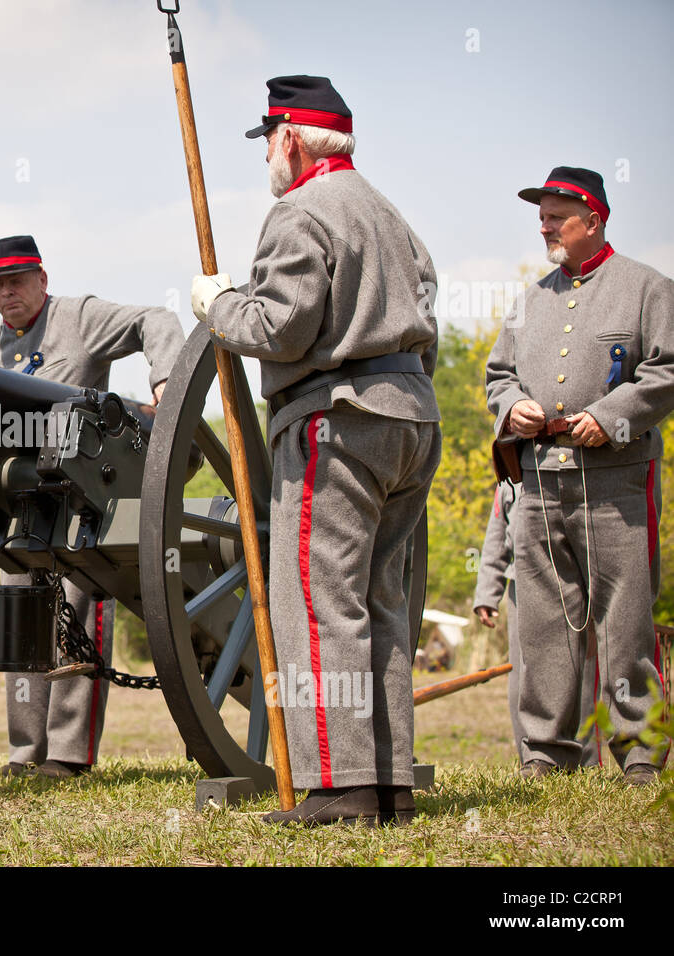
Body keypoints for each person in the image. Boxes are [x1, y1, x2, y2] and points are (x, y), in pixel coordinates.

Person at [192, 76, 442, 826]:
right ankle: (388, 781)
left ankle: (340, 787)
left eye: (268, 140)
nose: (267, 156)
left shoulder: (297, 212)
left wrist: (218, 306)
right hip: (410, 418)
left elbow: (284, 328)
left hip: (333, 418)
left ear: (291, 138)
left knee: (319, 603)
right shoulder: (392, 217)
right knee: (381, 603)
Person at [0, 234, 185, 778]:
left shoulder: (80, 319)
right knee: (17, 615)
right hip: (17, 501)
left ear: (43, 280)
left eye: (17, 280)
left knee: (77, 611)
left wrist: (167, 384)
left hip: (84, 495)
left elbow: (155, 321)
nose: (8, 292)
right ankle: (24, 753)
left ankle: (67, 754)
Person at [485, 166, 673, 785]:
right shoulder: (530, 297)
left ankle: (640, 754)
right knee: (540, 624)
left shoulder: (648, 288)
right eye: (540, 215)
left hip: (619, 480)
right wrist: (511, 406)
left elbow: (667, 371)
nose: (544, 225)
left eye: (556, 215)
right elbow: (498, 376)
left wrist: (611, 416)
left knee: (625, 622)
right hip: (539, 482)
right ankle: (544, 754)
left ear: (593, 220)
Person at [473, 483, 600, 765]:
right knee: (522, 679)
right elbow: (496, 537)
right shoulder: (510, 479)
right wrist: (487, 594)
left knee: (583, 675)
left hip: (577, 584)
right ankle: (533, 760)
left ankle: (587, 761)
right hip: (522, 587)